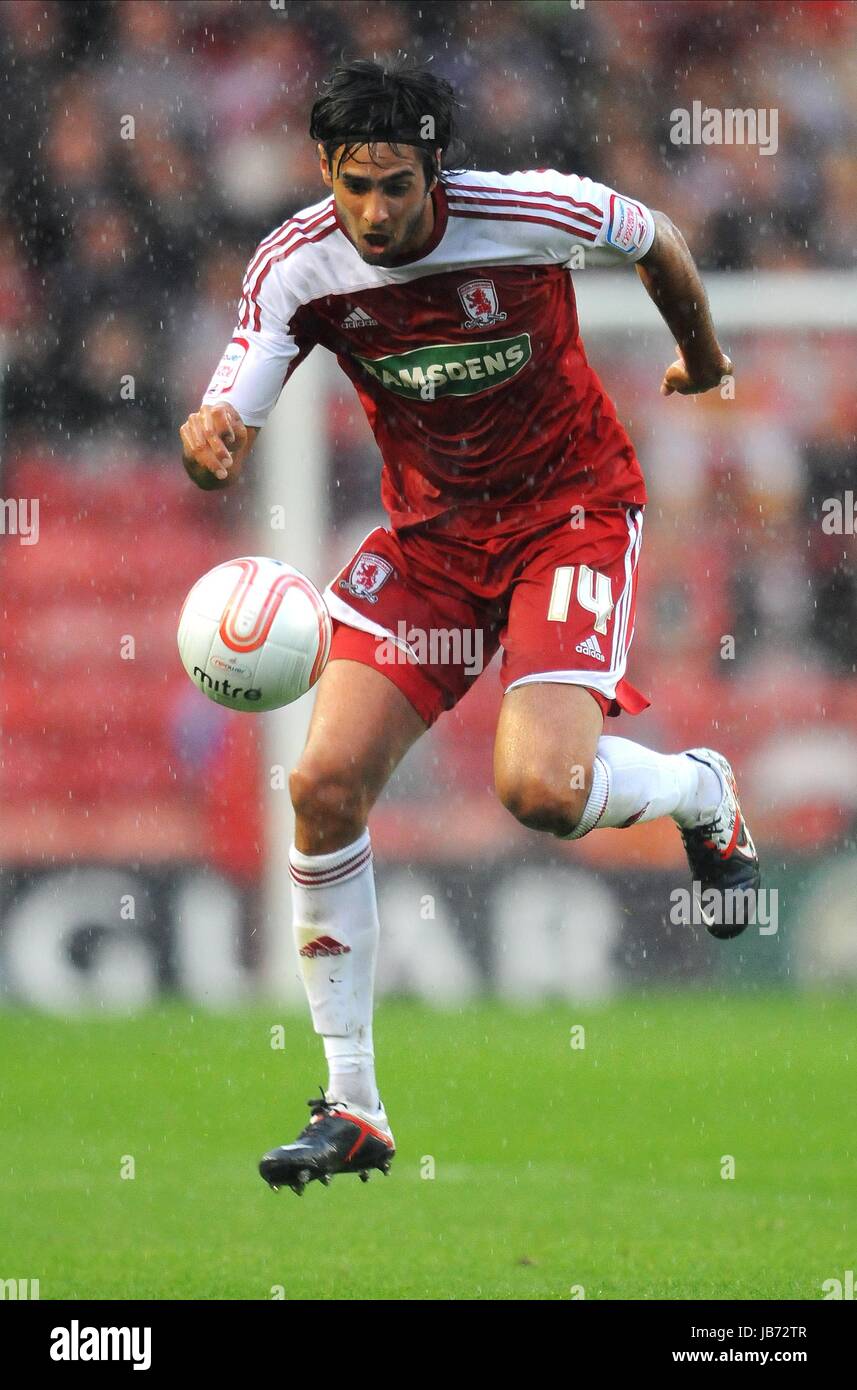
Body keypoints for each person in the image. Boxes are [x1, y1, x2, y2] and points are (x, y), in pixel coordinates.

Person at [179, 57, 759, 1197]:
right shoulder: (299, 264)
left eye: (396, 185)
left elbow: (655, 238)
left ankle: (696, 787)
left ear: (435, 166)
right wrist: (212, 439)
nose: (376, 212)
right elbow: (233, 401)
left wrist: (699, 355)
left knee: (540, 791)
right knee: (321, 784)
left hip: (568, 516)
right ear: (324, 174)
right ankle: (352, 1103)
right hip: (431, 545)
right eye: (354, 186)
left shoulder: (527, 212)